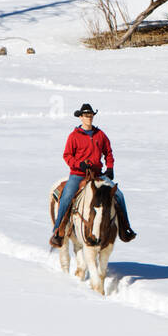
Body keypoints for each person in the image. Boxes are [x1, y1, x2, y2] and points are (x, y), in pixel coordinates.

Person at [50, 103, 136, 248]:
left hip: (97, 174)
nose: (89, 118)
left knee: (119, 195)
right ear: (81, 117)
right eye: (86, 115)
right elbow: (67, 156)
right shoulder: (74, 136)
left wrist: (110, 168)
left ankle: (125, 228)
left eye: (90, 115)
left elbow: (108, 152)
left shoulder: (100, 135)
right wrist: (79, 164)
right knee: (66, 196)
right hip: (78, 174)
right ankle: (58, 231)